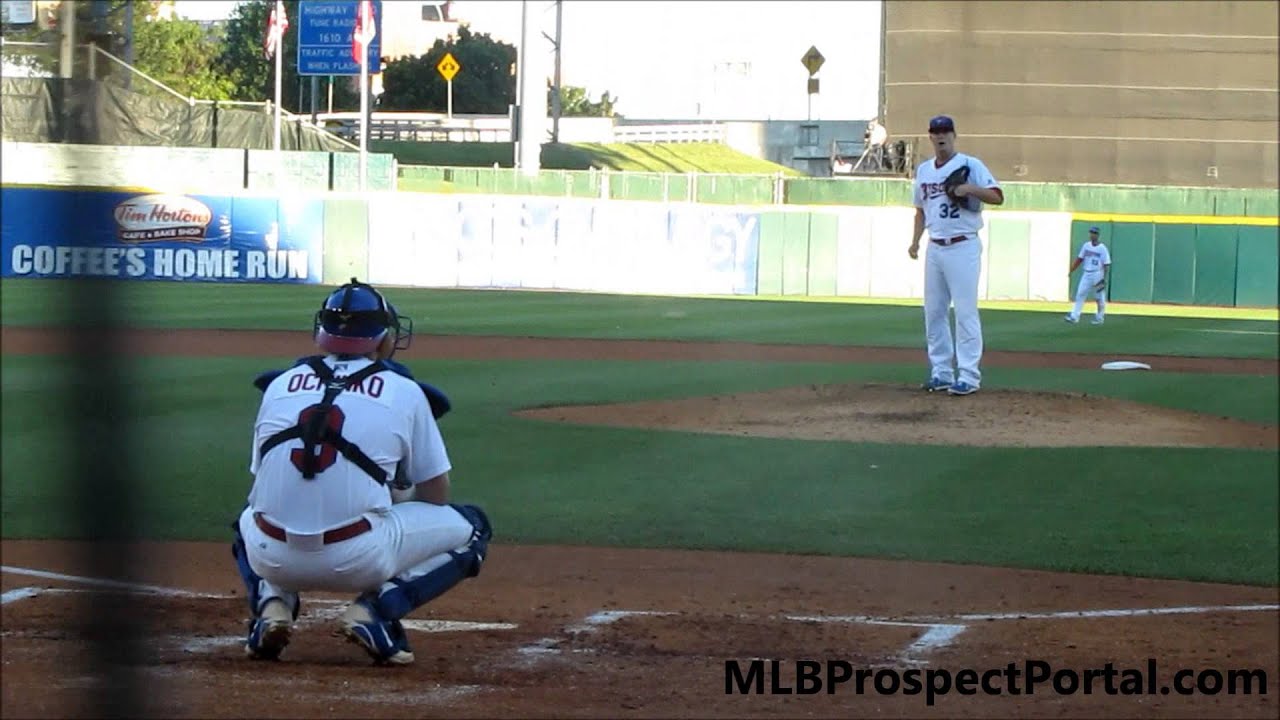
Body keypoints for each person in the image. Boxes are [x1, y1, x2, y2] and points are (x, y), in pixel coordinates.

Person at [229, 278, 491, 665]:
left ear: (322, 331)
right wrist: (393, 492)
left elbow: (263, 482)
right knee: (474, 528)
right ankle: (376, 612)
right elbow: (437, 495)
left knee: (247, 519)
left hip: (271, 555)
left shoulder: (278, 385)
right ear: (383, 336)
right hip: (358, 558)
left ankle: (270, 606)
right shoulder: (405, 389)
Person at [908, 115, 1004, 396]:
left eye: (946, 131)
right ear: (930, 137)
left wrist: (969, 189)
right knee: (934, 313)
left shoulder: (970, 164)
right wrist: (915, 241)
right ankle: (941, 372)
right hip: (935, 247)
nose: (941, 137)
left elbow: (998, 196)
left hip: (963, 245)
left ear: (954, 135)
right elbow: (920, 210)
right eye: (936, 132)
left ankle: (970, 376)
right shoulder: (924, 171)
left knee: (965, 312)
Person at [1065, 226, 1111, 325]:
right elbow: (1079, 259)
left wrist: (1103, 278)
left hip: (1098, 273)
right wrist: (1071, 270)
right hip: (1087, 273)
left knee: (1099, 297)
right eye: (1091, 233)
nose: (1092, 235)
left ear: (1098, 235)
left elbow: (1106, 264)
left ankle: (1099, 318)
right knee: (1080, 294)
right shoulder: (1086, 246)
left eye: (1094, 233)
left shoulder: (1102, 248)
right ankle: (1074, 316)